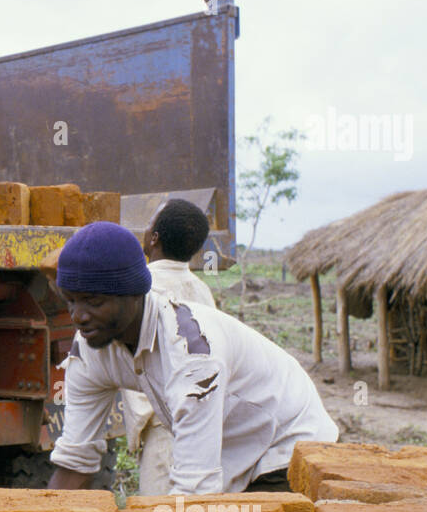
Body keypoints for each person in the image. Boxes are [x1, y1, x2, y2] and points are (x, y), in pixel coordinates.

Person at [47, 221, 338, 494]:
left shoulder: (191, 352)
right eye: (70, 300)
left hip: (288, 443)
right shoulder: (88, 349)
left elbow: (194, 493)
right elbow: (75, 459)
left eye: (94, 302)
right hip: (232, 449)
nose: (78, 317)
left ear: (136, 293)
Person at [129, 198, 218, 494]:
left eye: (150, 224)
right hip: (203, 427)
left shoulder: (141, 288)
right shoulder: (202, 291)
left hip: (164, 429)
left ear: (154, 238)